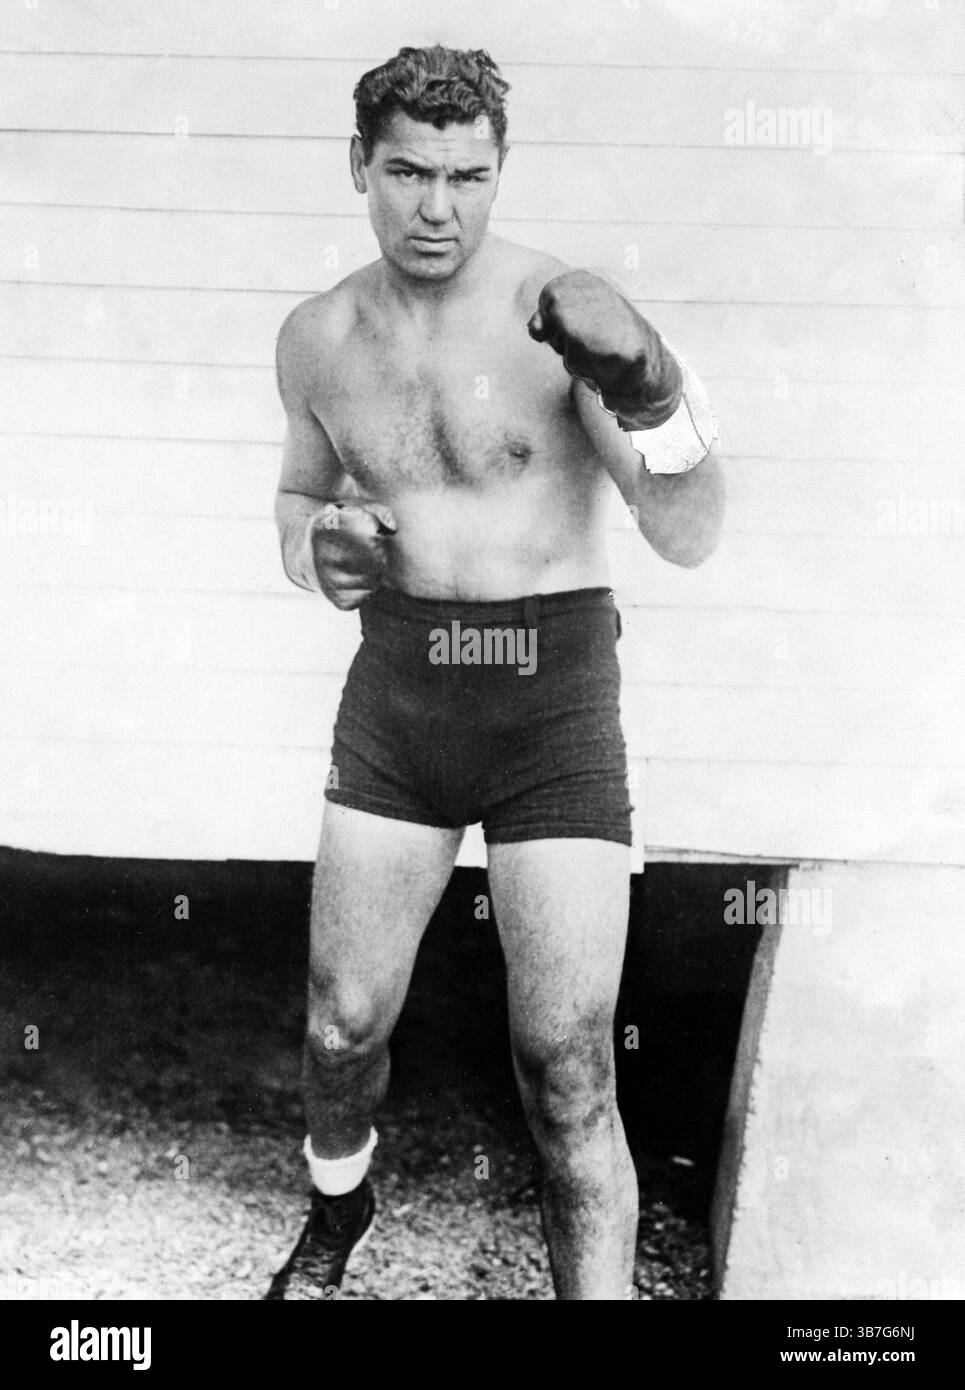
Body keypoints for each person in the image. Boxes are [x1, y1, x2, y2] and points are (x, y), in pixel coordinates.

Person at [266, 44, 723, 1302]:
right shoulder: (315, 338)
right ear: (358, 163)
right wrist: (320, 550)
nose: (437, 208)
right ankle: (337, 1210)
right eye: (408, 172)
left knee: (567, 1063)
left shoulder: (556, 316)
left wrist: (650, 379)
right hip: (400, 696)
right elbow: (296, 497)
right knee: (340, 1024)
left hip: (552, 700)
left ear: (498, 171)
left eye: (467, 177)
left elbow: (689, 530)